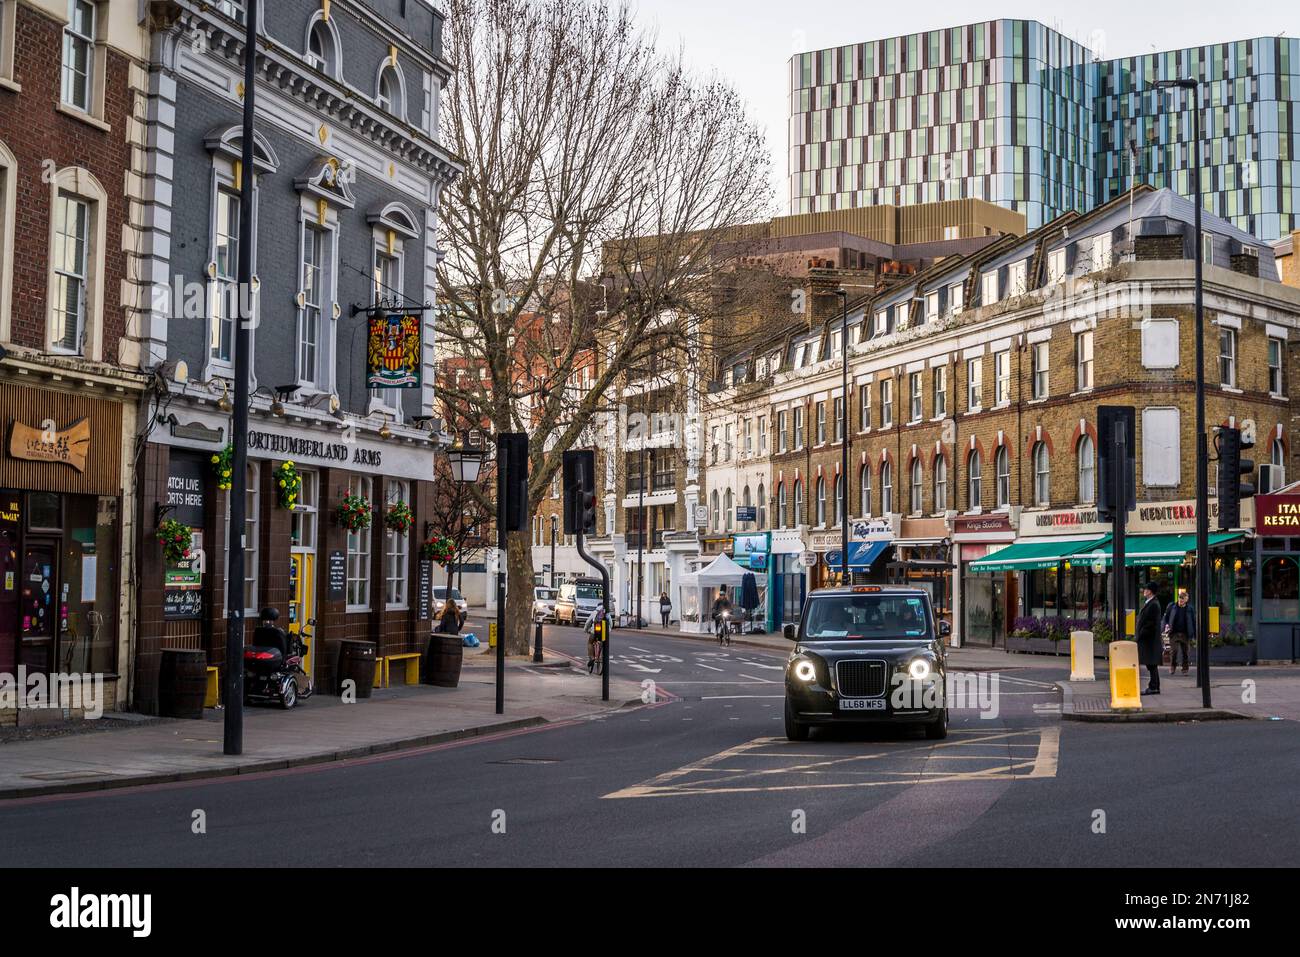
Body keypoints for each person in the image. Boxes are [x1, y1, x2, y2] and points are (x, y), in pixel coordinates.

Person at [1136, 581, 1163, 695]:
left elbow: (1150, 624)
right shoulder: (1151, 603)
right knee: (1151, 664)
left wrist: (1141, 634)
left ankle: (1154, 687)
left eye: (1146, 589)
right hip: (1149, 639)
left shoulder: (1153, 604)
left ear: (1150, 591)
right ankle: (1154, 686)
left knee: (1152, 664)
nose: (1144, 591)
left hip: (1149, 640)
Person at [1162, 588, 1195, 675]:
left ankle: (1185, 669)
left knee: (1185, 652)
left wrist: (1193, 634)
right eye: (1180, 598)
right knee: (1174, 651)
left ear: (1186, 600)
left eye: (1182, 599)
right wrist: (1165, 626)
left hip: (1185, 633)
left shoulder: (1190, 609)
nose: (1180, 600)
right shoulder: (1172, 607)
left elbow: (1193, 621)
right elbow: (1165, 618)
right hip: (1174, 633)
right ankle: (1172, 667)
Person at [584, 604, 606, 673]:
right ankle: (601, 654)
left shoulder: (595, 612)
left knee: (590, 642)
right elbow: (610, 623)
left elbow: (588, 622)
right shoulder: (606, 613)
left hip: (594, 632)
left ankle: (592, 657)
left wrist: (585, 630)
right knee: (603, 643)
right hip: (603, 633)